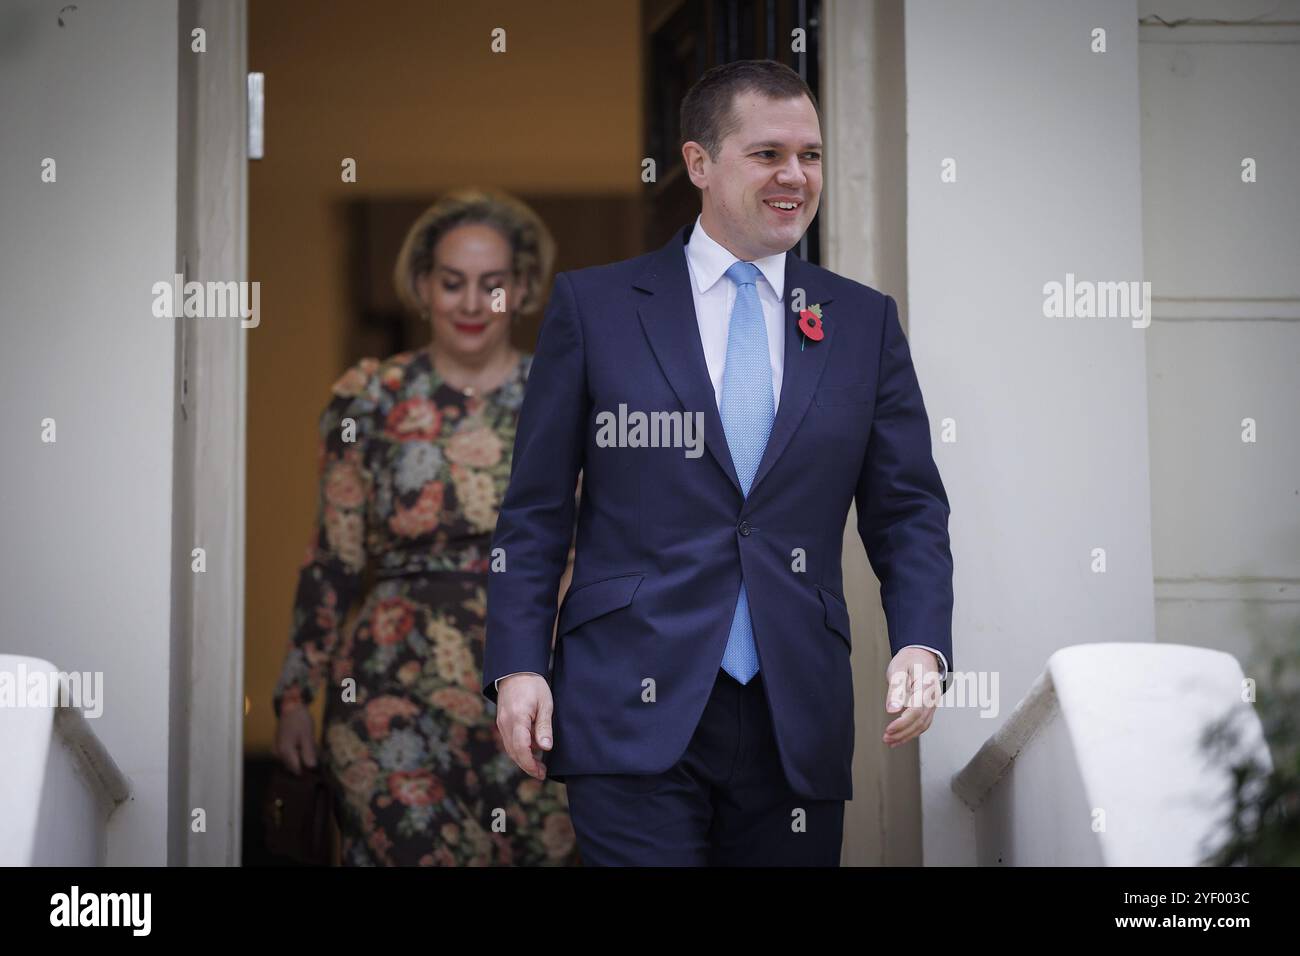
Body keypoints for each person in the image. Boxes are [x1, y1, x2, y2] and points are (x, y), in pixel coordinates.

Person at [482, 60, 954, 866]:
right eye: (767, 154)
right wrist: (517, 665)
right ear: (699, 164)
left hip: (794, 713)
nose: (795, 177)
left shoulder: (863, 322)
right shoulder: (595, 308)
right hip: (628, 703)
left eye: (809, 156)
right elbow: (534, 513)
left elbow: (908, 508)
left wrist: (922, 643)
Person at [272, 188, 581, 866]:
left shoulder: (564, 394)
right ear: (422, 286)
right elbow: (334, 554)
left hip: (533, 684)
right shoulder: (369, 397)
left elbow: (592, 550)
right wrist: (297, 695)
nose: (472, 303)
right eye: (452, 283)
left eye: (492, 285)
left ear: (522, 290)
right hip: (390, 685)